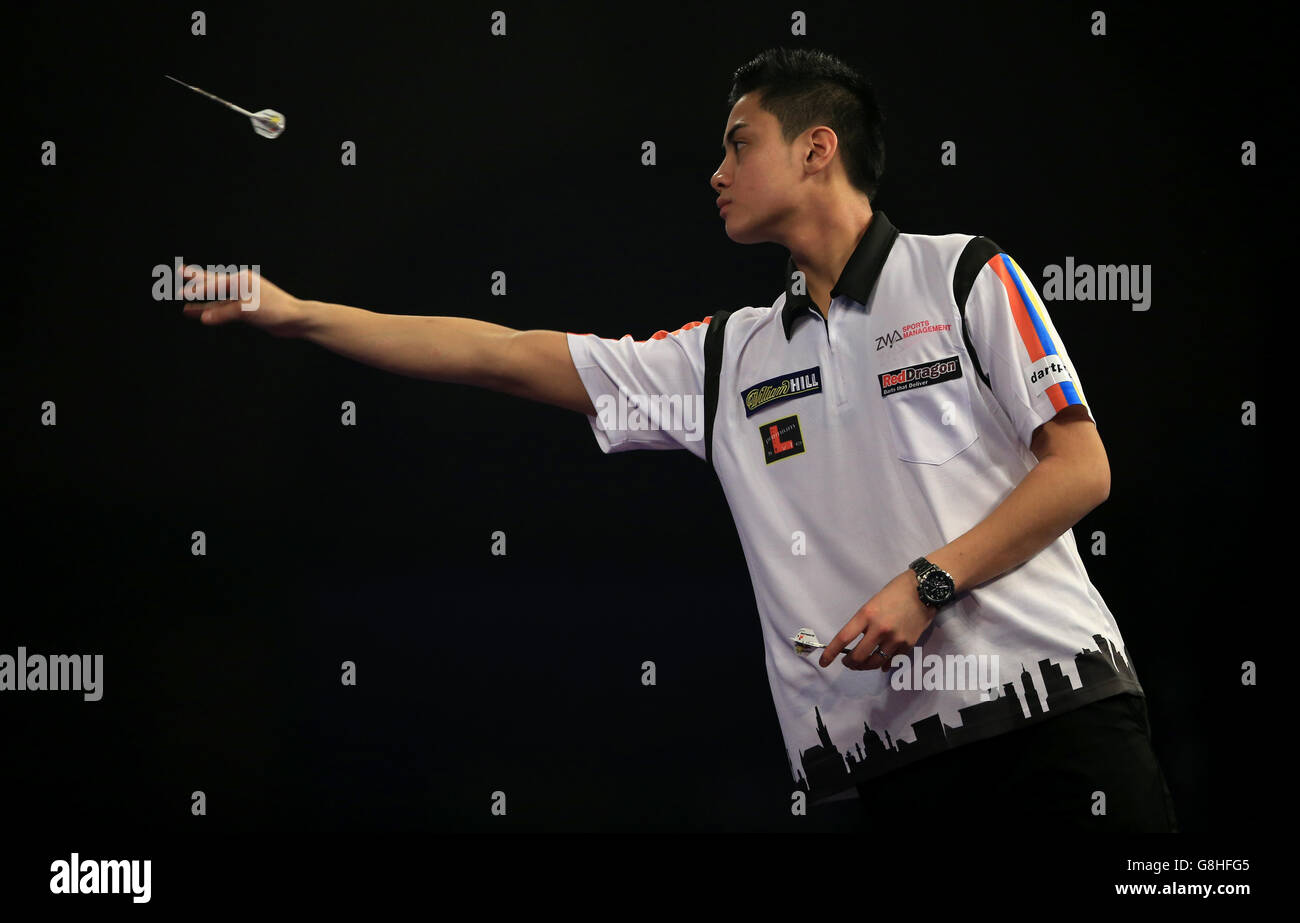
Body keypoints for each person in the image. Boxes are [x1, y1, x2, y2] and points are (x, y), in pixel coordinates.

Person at [180, 47, 1177, 831]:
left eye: (738, 143)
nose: (714, 172)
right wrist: (296, 311)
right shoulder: (725, 360)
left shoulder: (962, 274)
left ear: (817, 148)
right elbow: (503, 354)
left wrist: (928, 584)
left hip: (1058, 729)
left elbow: (1080, 466)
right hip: (887, 772)